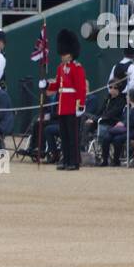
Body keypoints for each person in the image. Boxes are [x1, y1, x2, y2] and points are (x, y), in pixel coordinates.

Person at [44, 29, 86, 169]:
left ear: (71, 53)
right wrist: (47, 84)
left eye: (65, 53)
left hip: (73, 105)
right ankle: (66, 160)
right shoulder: (60, 68)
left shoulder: (77, 68)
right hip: (62, 105)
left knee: (73, 136)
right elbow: (57, 84)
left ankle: (74, 161)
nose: (63, 56)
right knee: (64, 136)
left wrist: (80, 105)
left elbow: (81, 88)